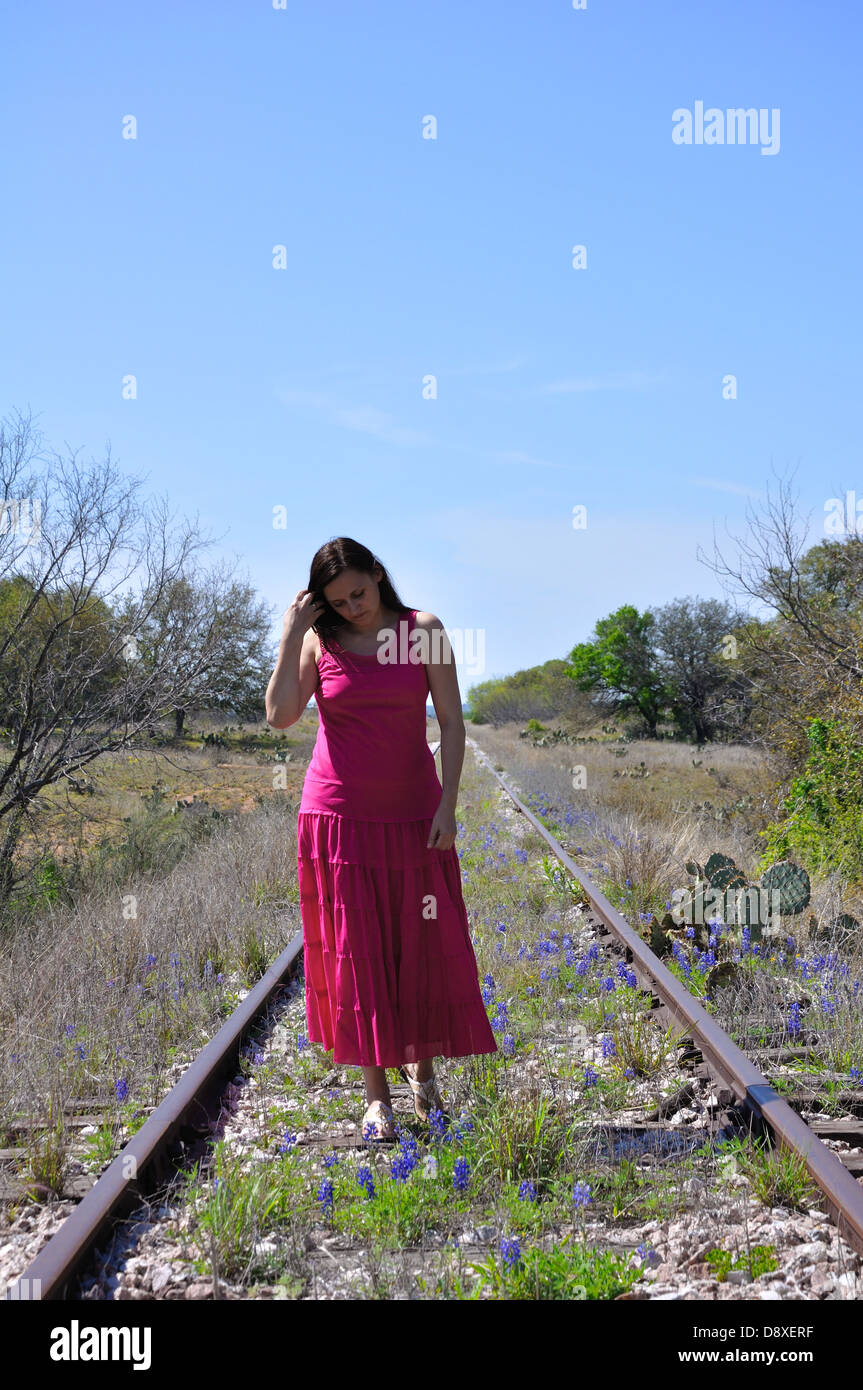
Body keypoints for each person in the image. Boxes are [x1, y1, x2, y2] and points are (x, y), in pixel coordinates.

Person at [265, 537, 497, 1141]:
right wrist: (292, 634)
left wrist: (448, 803)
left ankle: (423, 1075)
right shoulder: (321, 641)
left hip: (416, 816)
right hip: (338, 821)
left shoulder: (423, 630)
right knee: (358, 953)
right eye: (337, 602)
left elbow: (450, 720)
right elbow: (280, 715)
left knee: (419, 941)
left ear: (378, 574)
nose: (353, 609)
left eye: (359, 594)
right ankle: (376, 1100)